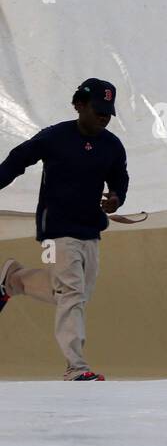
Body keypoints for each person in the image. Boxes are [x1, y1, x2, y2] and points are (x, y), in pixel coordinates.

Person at [0, 78, 130, 380]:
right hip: (57, 227)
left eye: (108, 111)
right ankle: (76, 367)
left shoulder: (111, 145)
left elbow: (119, 178)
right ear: (79, 105)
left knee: (73, 294)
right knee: (71, 294)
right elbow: (17, 161)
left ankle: (13, 280)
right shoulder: (54, 137)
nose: (104, 116)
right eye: (98, 109)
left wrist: (116, 198)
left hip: (90, 228)